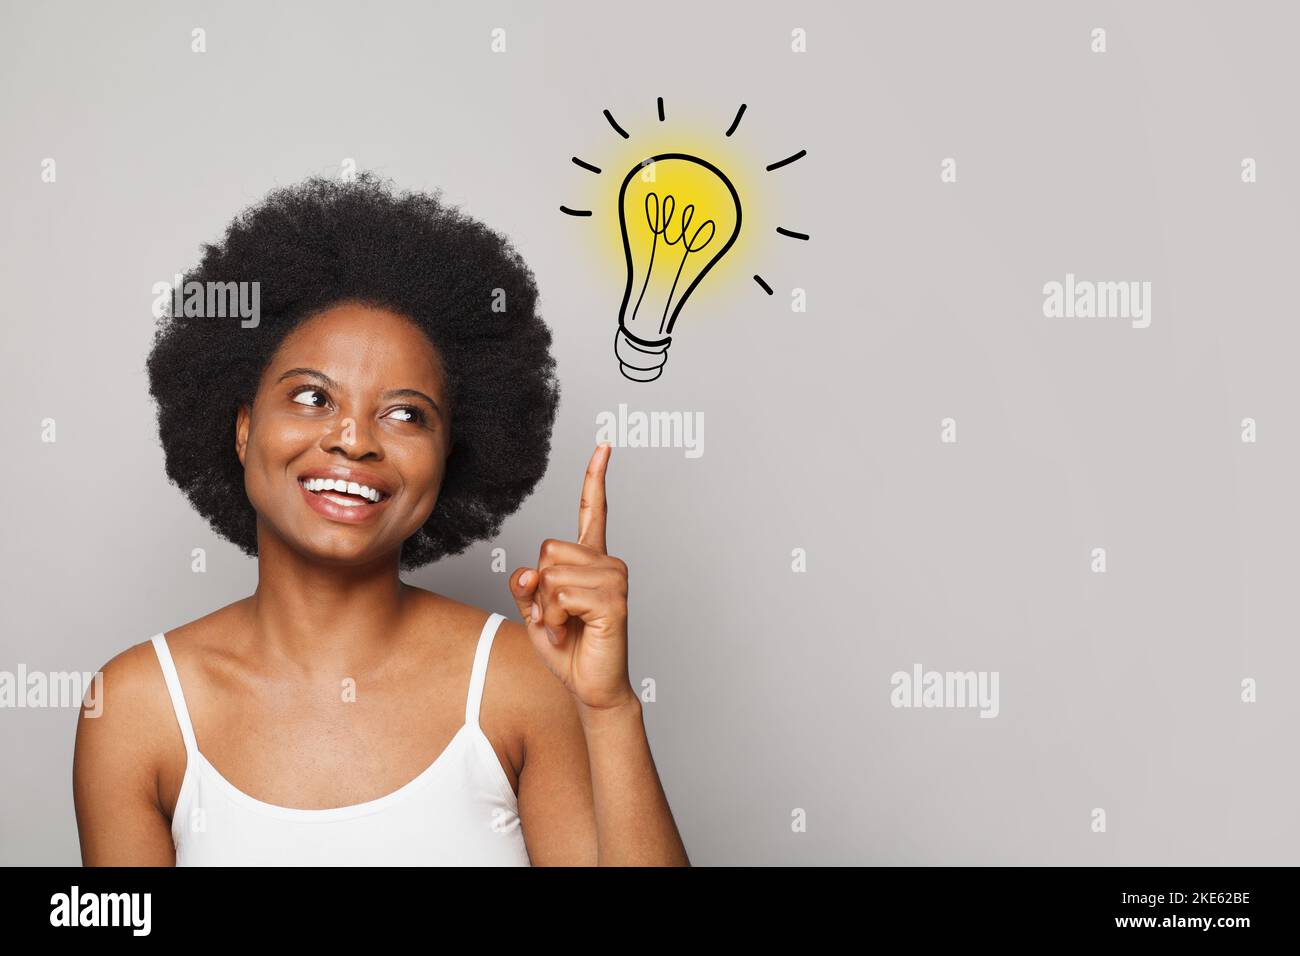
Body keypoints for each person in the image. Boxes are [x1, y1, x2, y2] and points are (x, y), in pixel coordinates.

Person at [72, 173, 689, 865]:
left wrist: (608, 711)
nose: (354, 439)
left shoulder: (523, 681)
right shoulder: (135, 707)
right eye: (311, 396)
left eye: (404, 414)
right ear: (243, 428)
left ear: (448, 454)